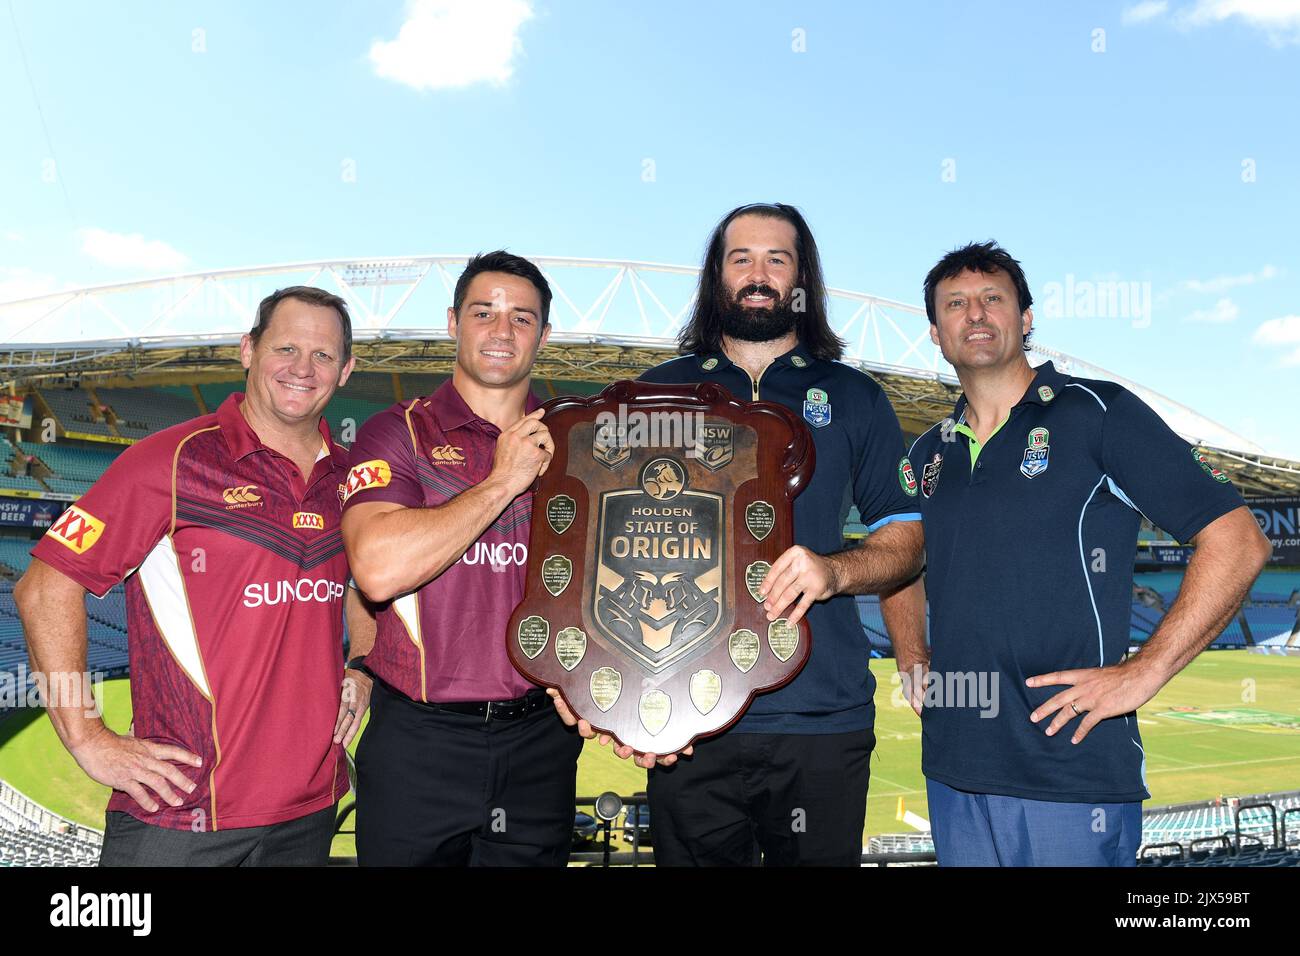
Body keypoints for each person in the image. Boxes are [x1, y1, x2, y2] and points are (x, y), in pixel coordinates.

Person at [556, 203, 926, 866]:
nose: (759, 274)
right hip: (689, 720)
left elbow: (905, 538)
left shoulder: (855, 395)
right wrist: (616, 691)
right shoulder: (653, 392)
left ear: (801, 280)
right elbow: (600, 545)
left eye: (777, 259)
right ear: (716, 278)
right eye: (741, 258)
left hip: (823, 718)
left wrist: (835, 571)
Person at [909, 240, 1271, 866]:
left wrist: (1145, 670)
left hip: (1070, 777)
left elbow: (1238, 537)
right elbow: (900, 558)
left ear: (1025, 320)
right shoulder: (926, 454)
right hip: (952, 770)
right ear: (936, 333)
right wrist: (912, 656)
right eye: (956, 304)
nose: (975, 314)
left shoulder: (1098, 414)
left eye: (993, 299)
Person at [16, 286, 375, 866]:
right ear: (248, 350)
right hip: (179, 810)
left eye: (323, 355)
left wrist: (361, 668)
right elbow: (44, 587)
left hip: (310, 808)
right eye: (285, 347)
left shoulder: (357, 480)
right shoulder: (171, 461)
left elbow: (371, 587)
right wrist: (86, 736)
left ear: (346, 370)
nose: (302, 369)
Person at [340, 250, 582, 866]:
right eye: (484, 313)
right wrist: (503, 481)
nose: (502, 331)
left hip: (541, 740)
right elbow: (376, 568)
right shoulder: (396, 432)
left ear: (544, 336)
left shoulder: (579, 445)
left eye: (522, 318)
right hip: (420, 742)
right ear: (453, 323)